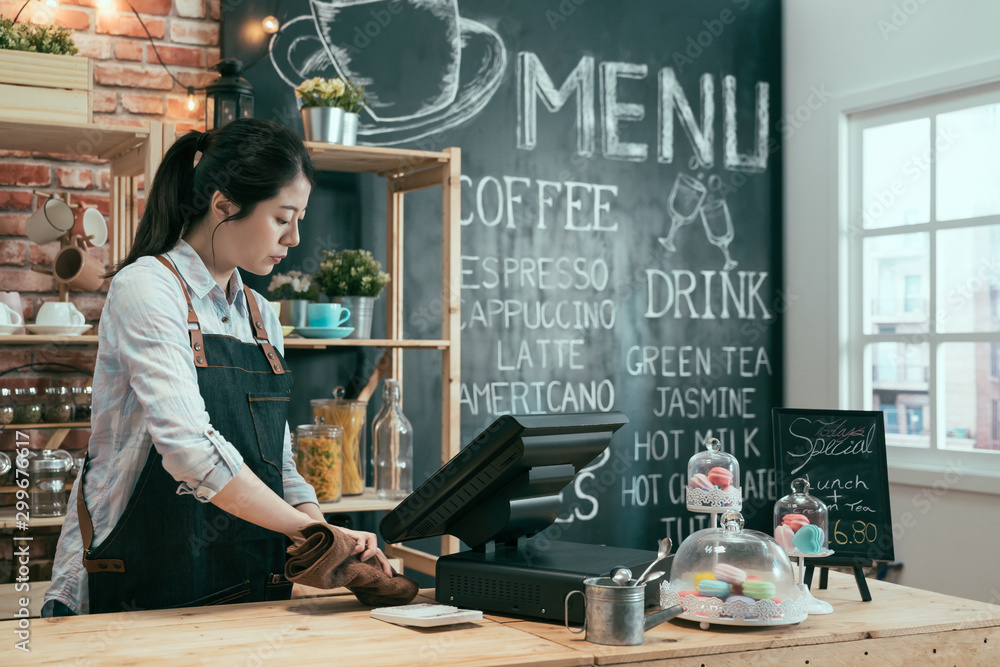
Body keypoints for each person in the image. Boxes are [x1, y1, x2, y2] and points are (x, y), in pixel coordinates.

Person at [43, 118, 391, 616]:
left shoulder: (261, 314)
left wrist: (325, 540)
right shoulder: (147, 288)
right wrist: (315, 531)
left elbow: (280, 463)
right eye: (282, 217)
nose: (295, 238)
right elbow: (190, 451)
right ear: (224, 203)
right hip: (137, 582)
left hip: (248, 584)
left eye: (300, 218)